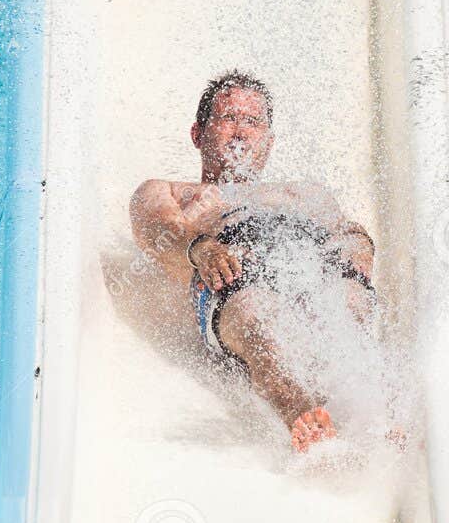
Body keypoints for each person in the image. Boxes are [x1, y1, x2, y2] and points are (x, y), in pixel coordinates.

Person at [129, 71, 377, 451]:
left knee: (348, 300)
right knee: (257, 314)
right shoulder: (172, 192)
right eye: (228, 119)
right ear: (198, 133)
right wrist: (202, 249)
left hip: (308, 266)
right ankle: (302, 414)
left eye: (253, 122)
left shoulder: (305, 192)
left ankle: (374, 416)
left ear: (270, 140)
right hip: (234, 275)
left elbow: (348, 231)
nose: (241, 132)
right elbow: (157, 229)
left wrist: (361, 247)